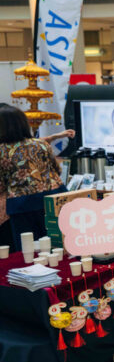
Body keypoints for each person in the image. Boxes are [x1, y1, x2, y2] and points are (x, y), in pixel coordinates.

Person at [0, 104, 68, 252]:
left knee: (29, 251)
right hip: (54, 197)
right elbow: (57, 169)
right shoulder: (40, 144)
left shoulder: (2, 150)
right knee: (59, 244)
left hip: (22, 204)